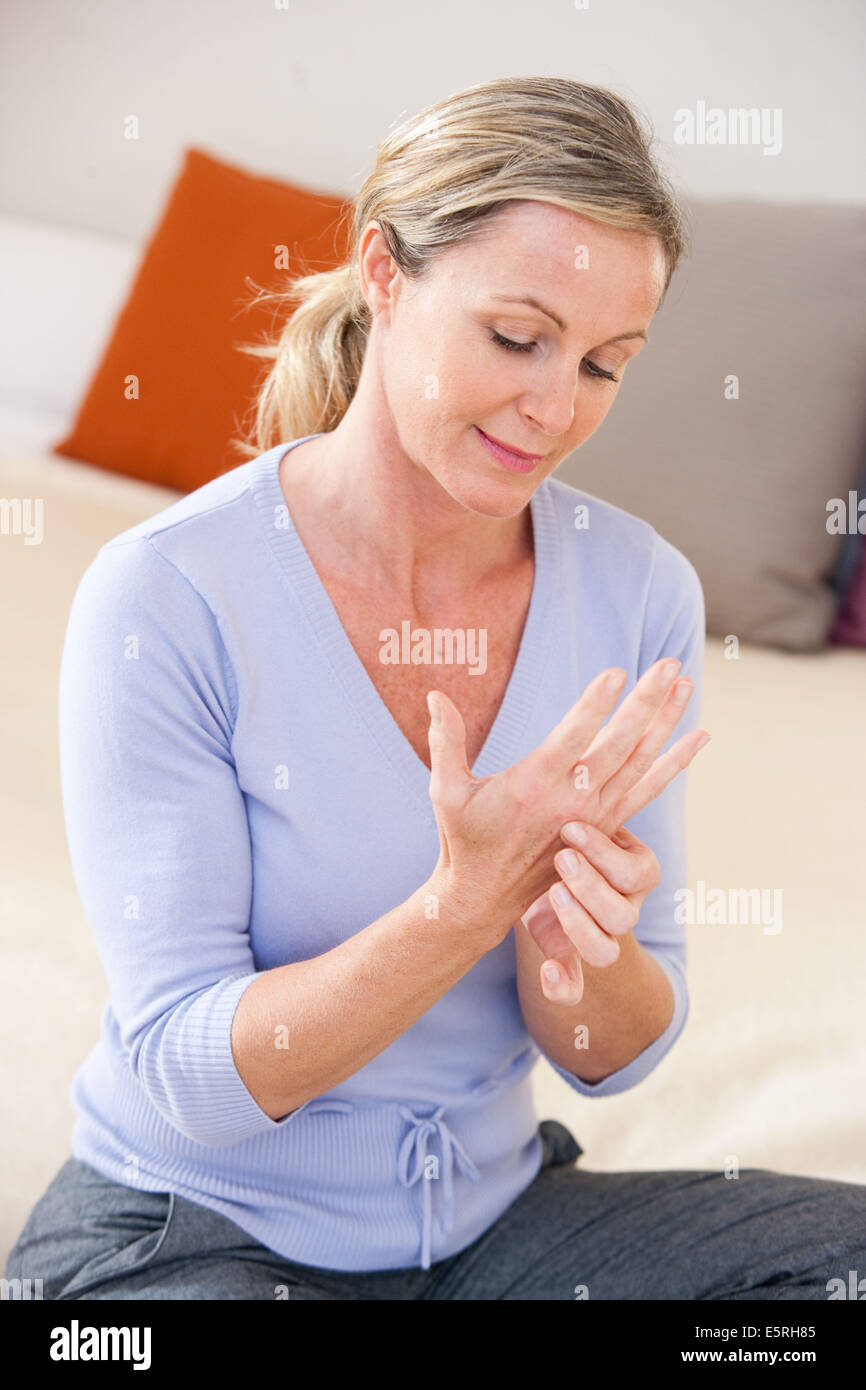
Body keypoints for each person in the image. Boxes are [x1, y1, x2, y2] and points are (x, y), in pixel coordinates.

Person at [5, 75, 865, 1302]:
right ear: (383, 274)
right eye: (515, 338)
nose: (554, 407)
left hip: (491, 1233)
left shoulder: (636, 593)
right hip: (191, 1238)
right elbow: (190, 1080)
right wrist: (465, 900)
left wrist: (577, 940)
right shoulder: (168, 595)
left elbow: (609, 1062)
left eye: (604, 363)